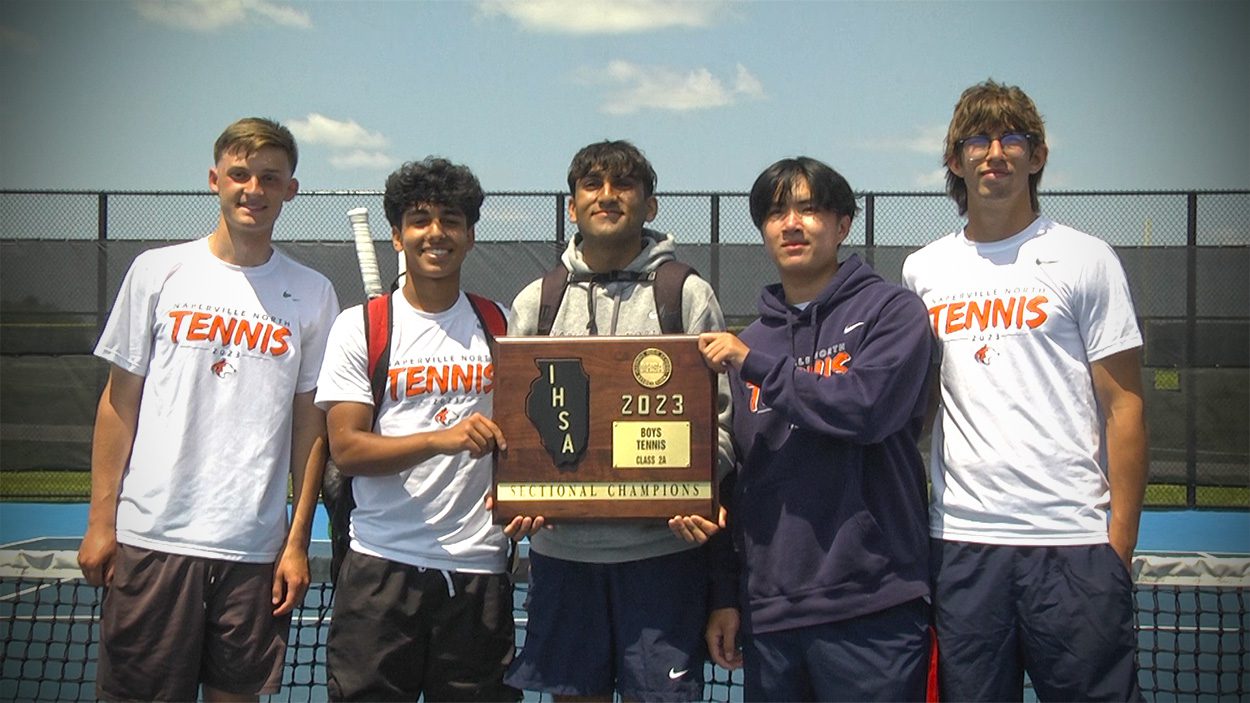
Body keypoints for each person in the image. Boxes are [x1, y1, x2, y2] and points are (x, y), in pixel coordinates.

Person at [901, 79, 1148, 701]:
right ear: (955, 161)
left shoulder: (1087, 259)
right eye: (977, 140)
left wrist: (1116, 548)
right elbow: (920, 409)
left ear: (1036, 156)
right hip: (961, 547)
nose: (995, 152)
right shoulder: (922, 270)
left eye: (1012, 138)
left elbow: (1124, 407)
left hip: (1075, 546)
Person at [77, 117, 339, 701]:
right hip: (154, 540)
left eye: (270, 178)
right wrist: (101, 522)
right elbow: (119, 405)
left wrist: (297, 540)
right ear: (215, 179)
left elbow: (309, 427)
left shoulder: (314, 292)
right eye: (240, 174)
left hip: (254, 551)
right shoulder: (156, 270)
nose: (254, 189)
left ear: (290, 189)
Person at [502, 140, 734, 702]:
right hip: (564, 561)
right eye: (592, 185)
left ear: (650, 205)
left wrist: (697, 486)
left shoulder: (687, 293)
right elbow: (515, 425)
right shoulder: (538, 300)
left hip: (663, 559)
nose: (608, 196)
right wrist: (519, 489)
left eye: (624, 185)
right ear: (572, 205)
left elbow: (721, 424)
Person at [698, 157, 934, 701]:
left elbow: (866, 409)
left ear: (843, 224)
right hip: (772, 613)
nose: (793, 223)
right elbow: (736, 472)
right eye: (777, 212)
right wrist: (726, 592)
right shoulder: (753, 338)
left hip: (873, 606)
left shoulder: (892, 313)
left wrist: (755, 364)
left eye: (809, 209)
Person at [314, 157, 520, 701]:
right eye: (420, 219)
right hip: (382, 568)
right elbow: (348, 448)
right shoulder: (360, 327)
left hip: (479, 566)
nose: (435, 233)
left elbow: (526, 436)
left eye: (450, 219)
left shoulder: (501, 324)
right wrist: (440, 438)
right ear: (397, 235)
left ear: (471, 235)